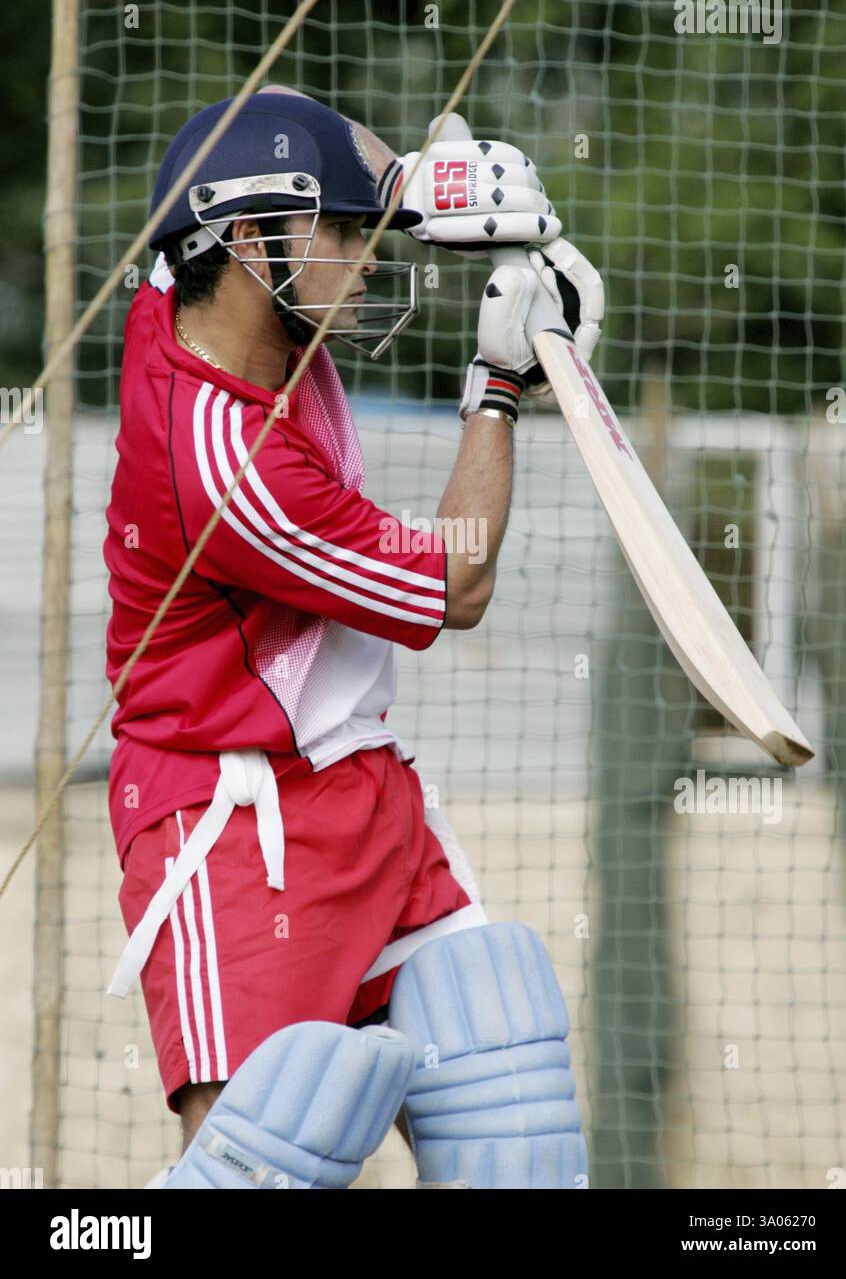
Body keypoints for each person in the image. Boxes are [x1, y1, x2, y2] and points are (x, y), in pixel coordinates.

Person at [103, 86, 598, 1188]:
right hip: (226, 819)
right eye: (341, 232)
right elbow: (458, 578)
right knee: (259, 1163)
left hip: (362, 783)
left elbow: (283, 125)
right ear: (246, 240)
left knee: (504, 1099)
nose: (370, 257)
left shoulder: (195, 289)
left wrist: (447, 193)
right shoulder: (230, 471)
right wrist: (501, 379)